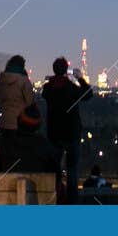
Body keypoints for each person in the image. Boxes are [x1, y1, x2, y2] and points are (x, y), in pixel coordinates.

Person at [41, 56, 93, 203]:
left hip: (54, 134)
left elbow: (45, 93)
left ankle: (55, 198)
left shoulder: (48, 88)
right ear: (66, 70)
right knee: (72, 171)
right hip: (71, 133)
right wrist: (80, 78)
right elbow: (88, 94)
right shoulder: (71, 88)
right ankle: (72, 201)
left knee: (54, 169)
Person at [0, 55, 37, 171]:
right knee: (18, 152)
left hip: (4, 122)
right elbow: (30, 102)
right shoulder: (23, 80)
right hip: (20, 121)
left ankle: (3, 173)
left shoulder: (1, 79)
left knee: (5, 151)